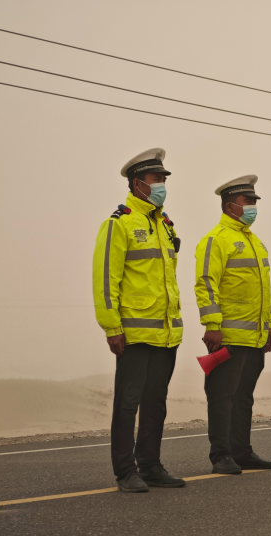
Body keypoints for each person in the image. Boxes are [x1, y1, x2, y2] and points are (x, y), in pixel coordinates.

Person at [92, 148, 186, 492]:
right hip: (132, 333)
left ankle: (150, 465)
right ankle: (125, 471)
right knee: (127, 404)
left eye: (163, 179)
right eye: (156, 179)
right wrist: (111, 327)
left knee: (155, 403)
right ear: (137, 184)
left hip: (166, 334)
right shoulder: (119, 223)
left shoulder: (164, 225)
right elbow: (106, 280)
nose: (162, 184)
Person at [194, 174, 271, 474]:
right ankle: (221, 455)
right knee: (222, 398)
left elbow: (262, 290)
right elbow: (205, 284)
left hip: (254, 337)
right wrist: (212, 325)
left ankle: (242, 452)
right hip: (227, 335)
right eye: (248, 201)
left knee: (243, 398)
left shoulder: (255, 242)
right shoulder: (216, 239)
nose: (254, 206)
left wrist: (269, 324)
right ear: (231, 206)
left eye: (255, 201)